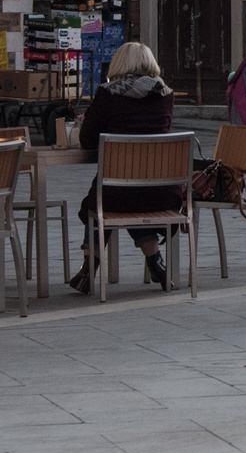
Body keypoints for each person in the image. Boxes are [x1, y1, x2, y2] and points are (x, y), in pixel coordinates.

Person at [69, 42, 184, 294]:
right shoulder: (166, 94)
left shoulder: (108, 94)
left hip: (117, 189)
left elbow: (88, 141)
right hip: (162, 189)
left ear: (119, 63)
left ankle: (90, 266)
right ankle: (156, 262)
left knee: (100, 200)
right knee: (133, 192)